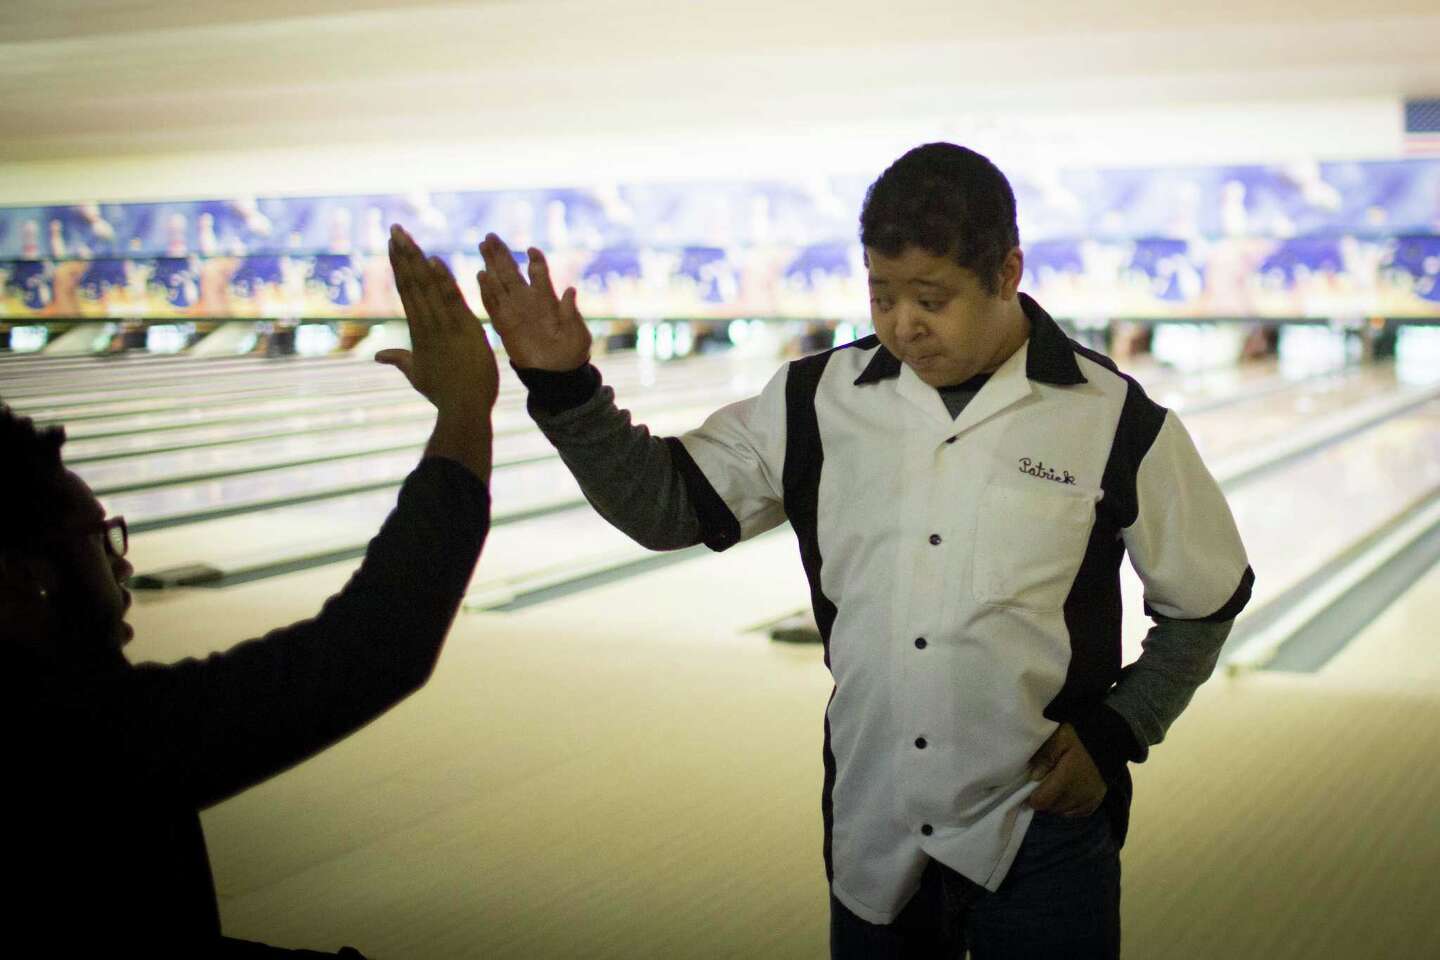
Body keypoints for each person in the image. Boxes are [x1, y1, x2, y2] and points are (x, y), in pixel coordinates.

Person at [476, 143, 1254, 958]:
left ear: (1008, 271)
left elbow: (1207, 599)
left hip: (1041, 832)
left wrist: (1120, 729)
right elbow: (666, 505)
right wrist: (563, 389)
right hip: (873, 822)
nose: (902, 324)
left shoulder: (1116, 420)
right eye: (881, 295)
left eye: (931, 298)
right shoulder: (815, 401)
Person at [0, 226, 494, 956]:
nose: (124, 566)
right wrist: (464, 408)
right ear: (23, 582)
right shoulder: (63, 742)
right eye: (99, 542)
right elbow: (371, 647)